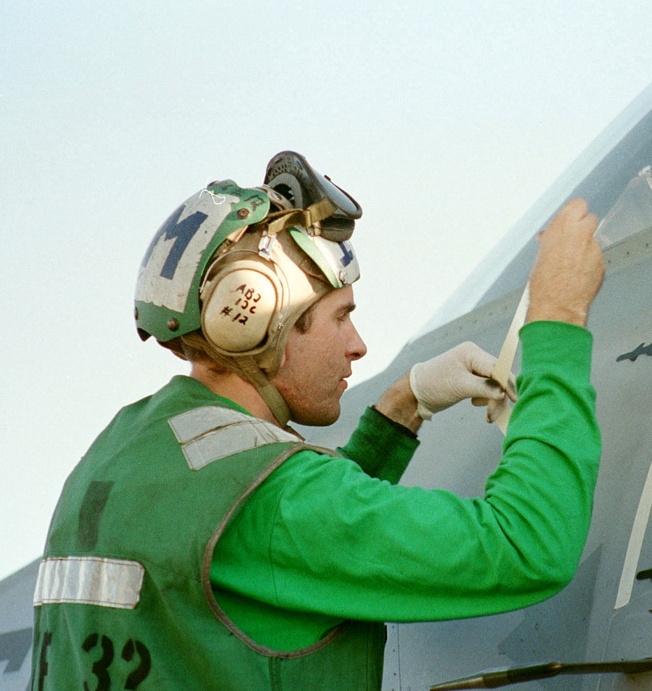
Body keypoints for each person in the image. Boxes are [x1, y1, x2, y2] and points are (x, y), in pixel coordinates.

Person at [31, 151, 605, 689]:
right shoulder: (281, 505)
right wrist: (558, 317)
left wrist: (403, 406)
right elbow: (528, 545)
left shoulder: (122, 450)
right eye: (340, 317)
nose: (358, 345)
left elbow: (278, 554)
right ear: (258, 321)